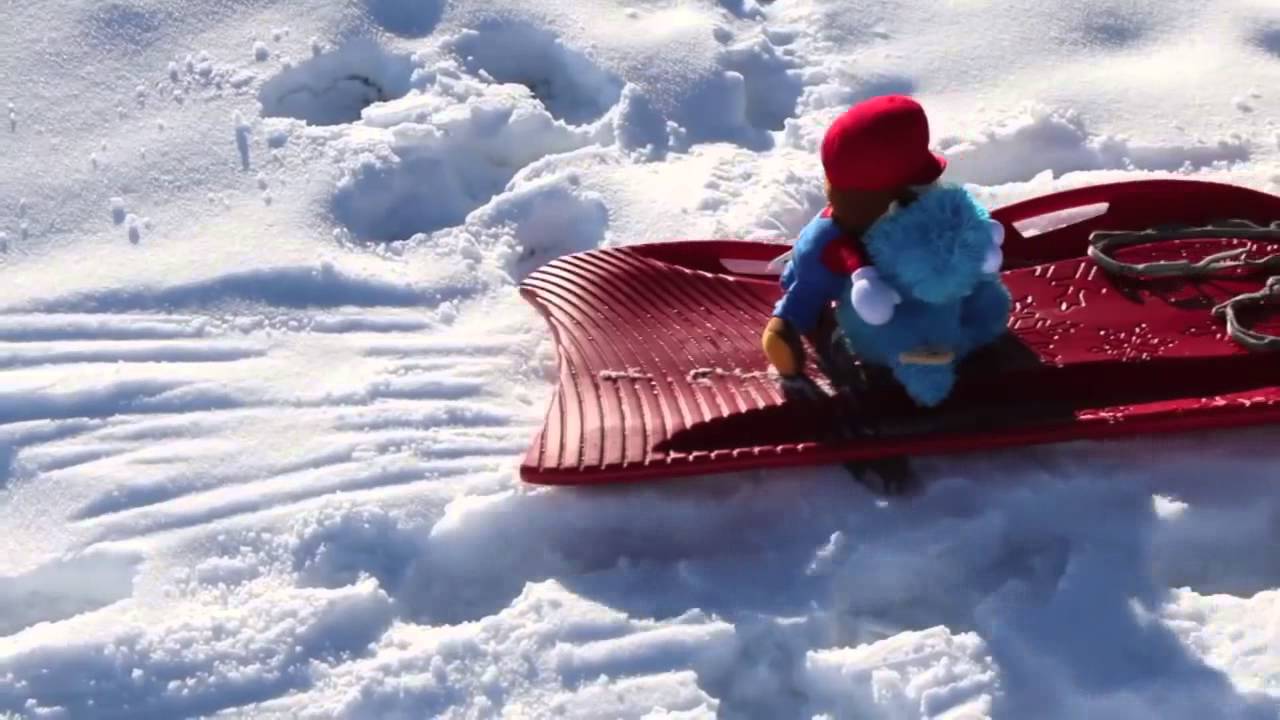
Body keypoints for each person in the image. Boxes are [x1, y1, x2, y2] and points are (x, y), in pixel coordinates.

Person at [762, 95, 1010, 406]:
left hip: (935, 301)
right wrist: (787, 325)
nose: (928, 192)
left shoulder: (926, 207)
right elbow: (807, 287)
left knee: (980, 299)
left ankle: (968, 328)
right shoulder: (830, 241)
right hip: (874, 313)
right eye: (915, 190)